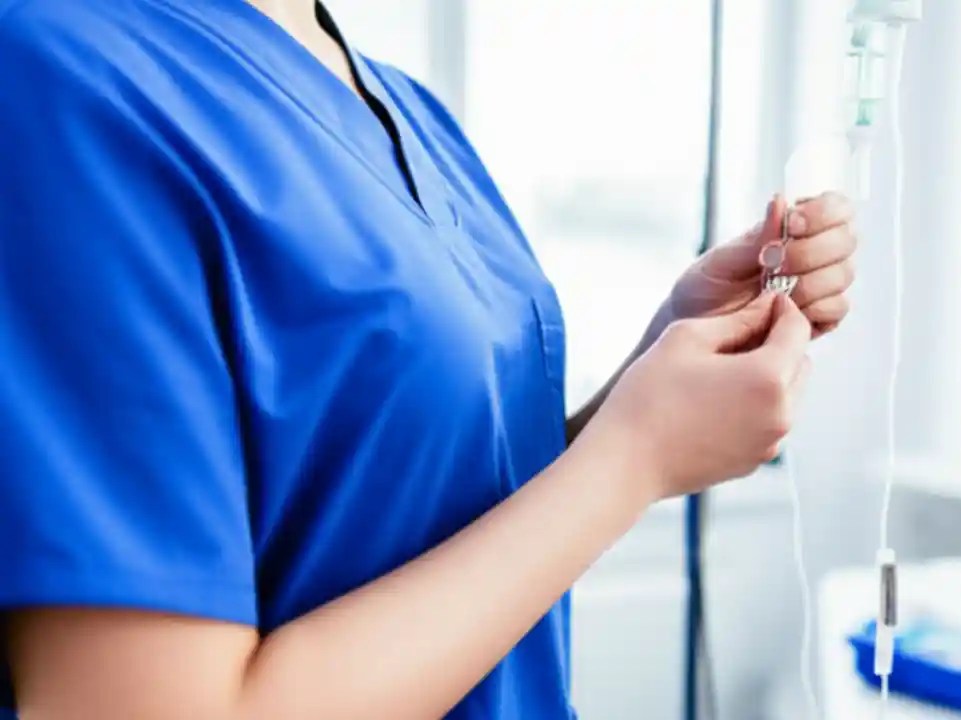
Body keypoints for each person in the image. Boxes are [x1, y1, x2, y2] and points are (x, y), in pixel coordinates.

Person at [0, 1, 858, 718]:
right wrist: (632, 459)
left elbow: (423, 502)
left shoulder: (400, 105)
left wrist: (648, 385)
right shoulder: (55, 73)